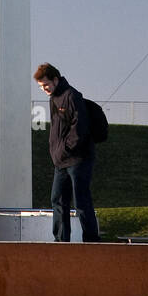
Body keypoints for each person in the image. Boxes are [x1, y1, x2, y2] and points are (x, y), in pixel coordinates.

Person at [35, 62, 100, 242]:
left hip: (79, 158)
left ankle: (91, 240)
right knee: (58, 201)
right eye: (41, 87)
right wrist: (57, 153)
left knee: (81, 201)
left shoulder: (71, 96)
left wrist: (65, 149)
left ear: (55, 80)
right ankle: (61, 240)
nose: (44, 89)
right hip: (61, 161)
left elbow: (79, 128)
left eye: (46, 84)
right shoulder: (53, 98)